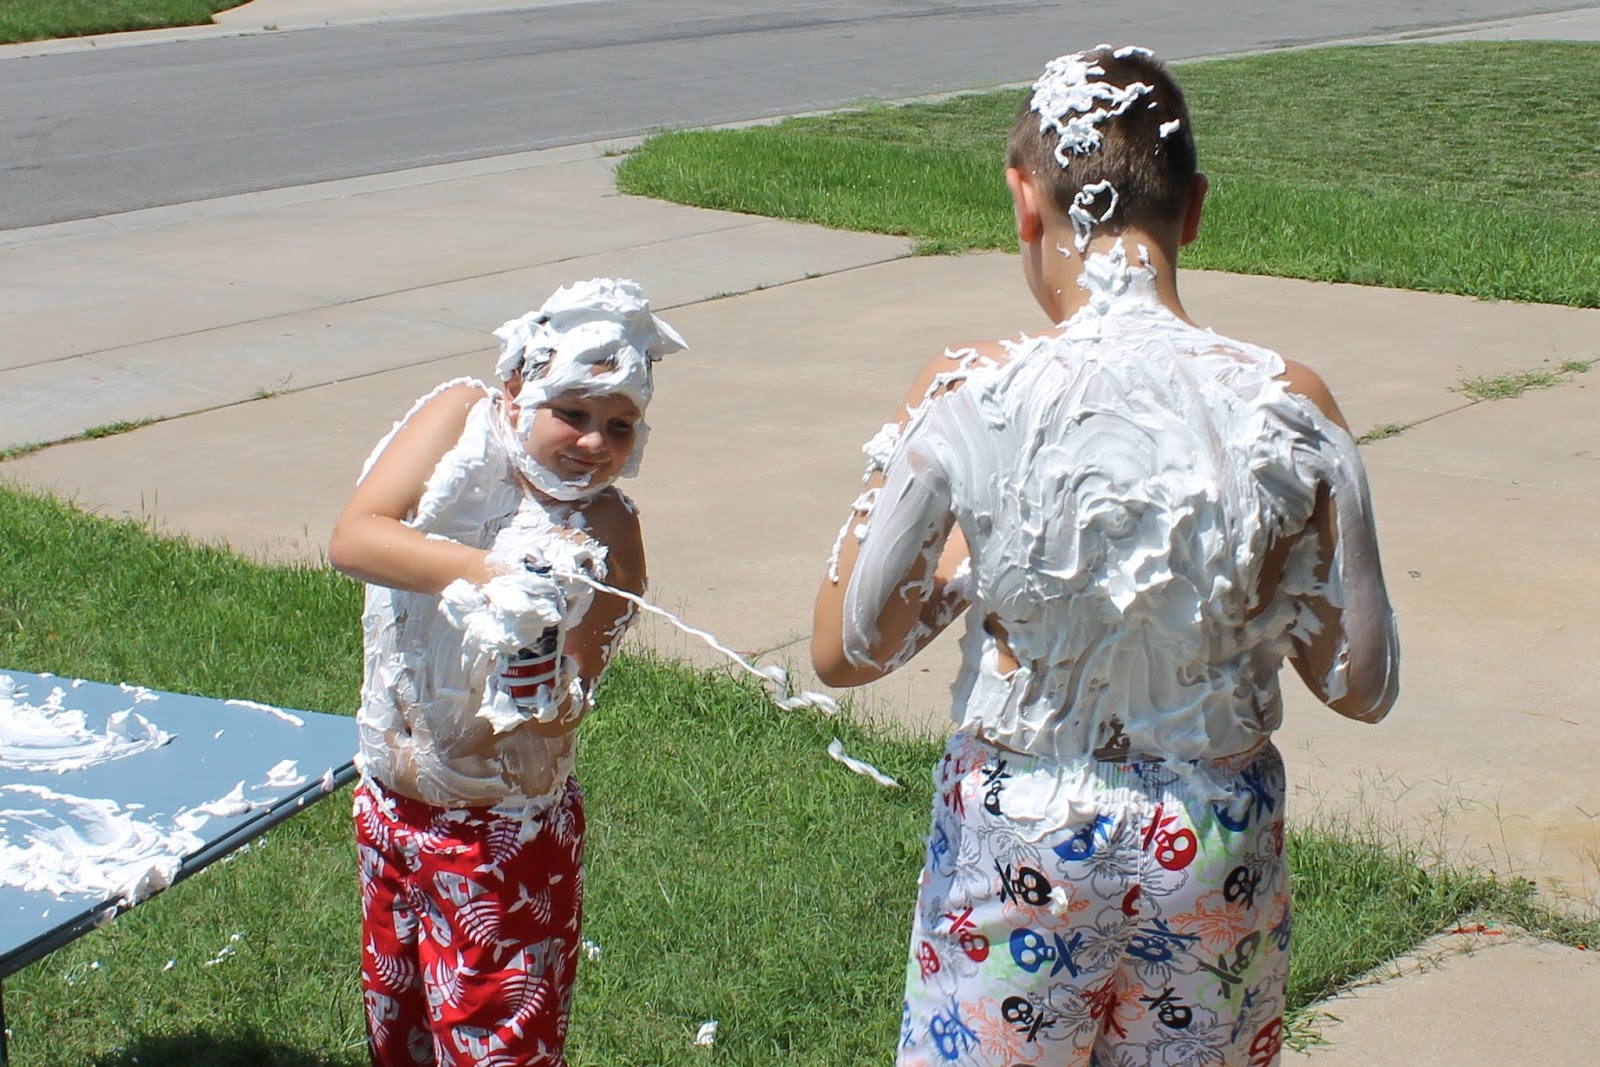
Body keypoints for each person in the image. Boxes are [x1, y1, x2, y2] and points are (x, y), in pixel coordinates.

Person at [811, 46, 1399, 1066]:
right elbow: (1362, 685)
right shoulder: (1287, 401)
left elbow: (846, 648)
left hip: (1021, 831)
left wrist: (969, 562)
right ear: (1195, 207)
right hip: (1209, 840)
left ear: (1022, 200)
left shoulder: (969, 391)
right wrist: (1266, 586)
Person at [328, 277, 685, 1066]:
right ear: (519, 387)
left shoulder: (610, 530)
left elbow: (571, 700)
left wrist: (544, 678)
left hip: (503, 840)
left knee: (496, 1047)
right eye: (572, 412)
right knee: (396, 1035)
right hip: (388, 806)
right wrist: (493, 575)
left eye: (619, 425)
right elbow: (354, 538)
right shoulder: (458, 421)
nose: (594, 441)